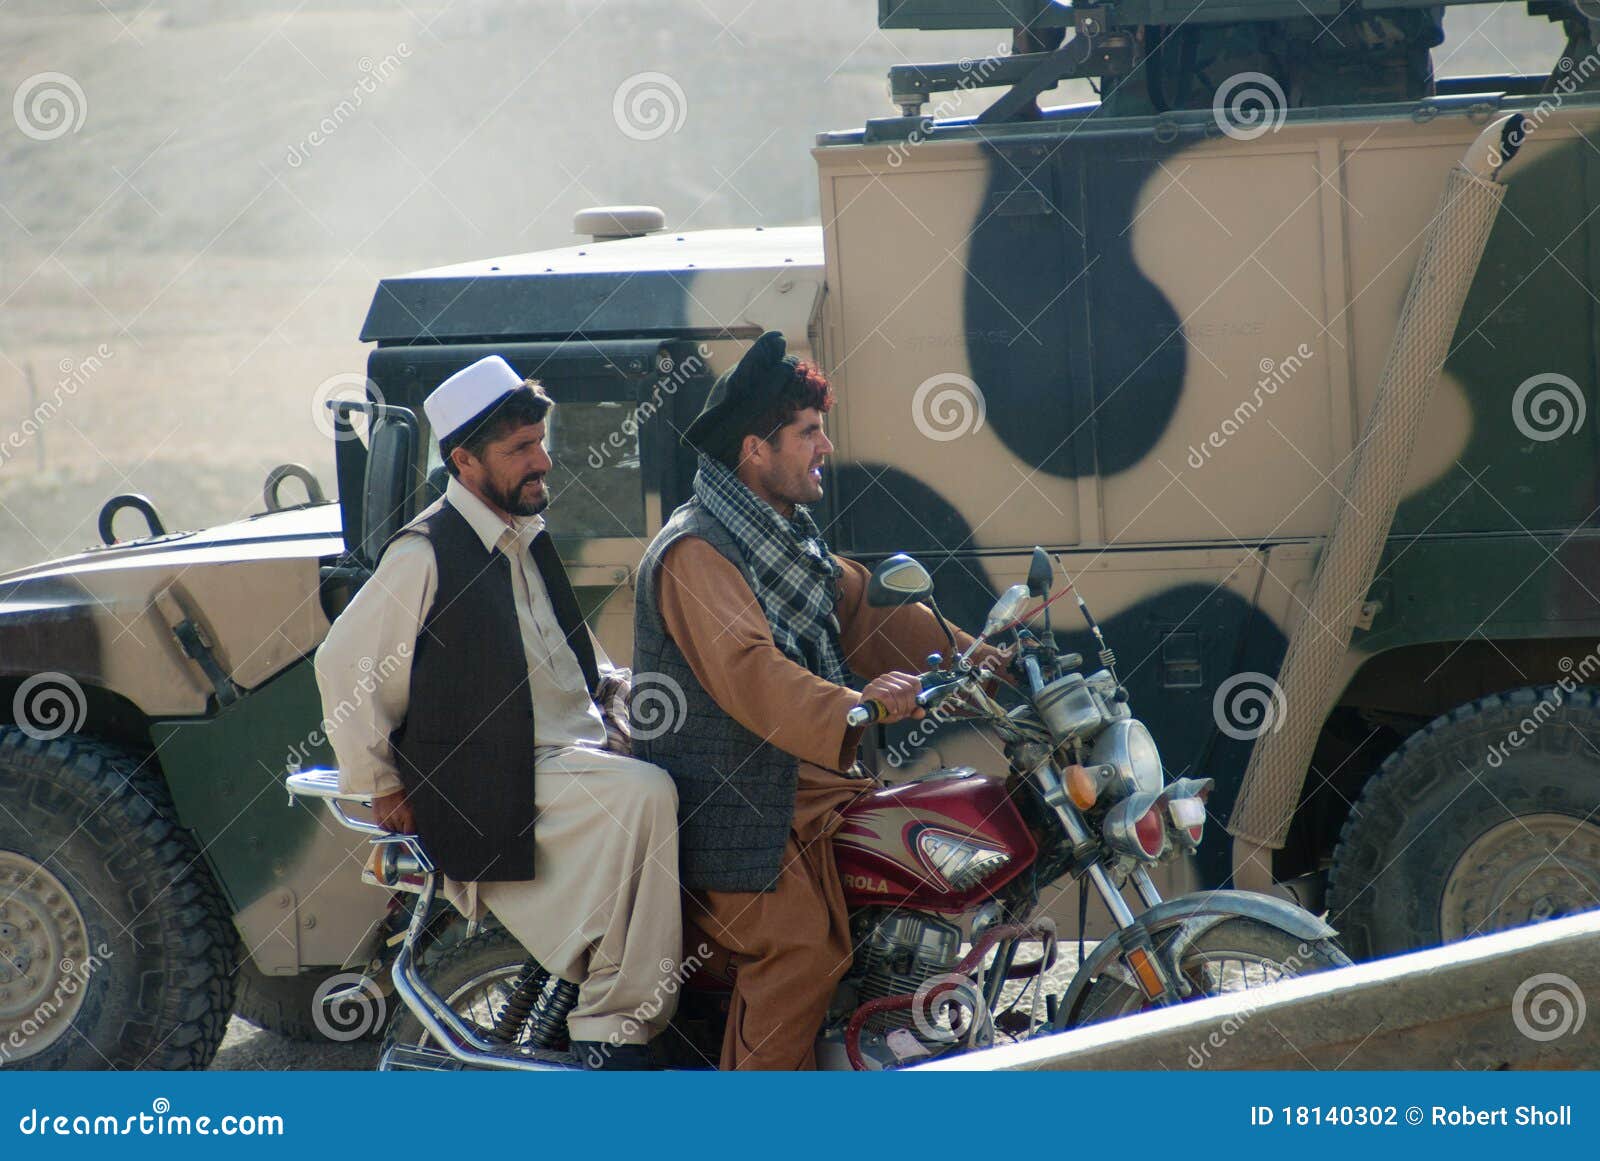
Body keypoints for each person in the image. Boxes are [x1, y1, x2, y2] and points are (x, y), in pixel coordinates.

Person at [631, 331, 1003, 1069]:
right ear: (754, 450)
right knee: (803, 947)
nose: (825, 444)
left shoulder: (787, 540)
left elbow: (869, 610)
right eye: (808, 432)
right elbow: (752, 671)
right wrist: (856, 707)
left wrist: (984, 658)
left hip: (803, 795)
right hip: (733, 813)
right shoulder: (696, 551)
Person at [315, 354, 680, 1070]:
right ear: (464, 460)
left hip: (565, 767)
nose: (542, 461)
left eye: (541, 442)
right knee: (647, 795)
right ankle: (617, 1025)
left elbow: (573, 665)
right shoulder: (427, 552)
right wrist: (383, 785)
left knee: (676, 777)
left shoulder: (524, 538)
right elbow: (342, 665)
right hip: (495, 781)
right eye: (520, 450)